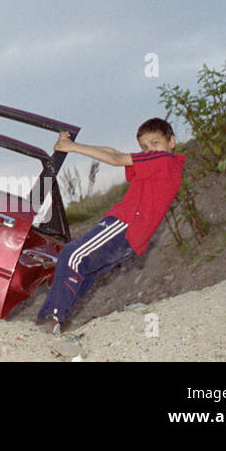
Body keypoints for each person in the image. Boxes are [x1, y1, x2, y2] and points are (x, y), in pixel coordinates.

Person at [37, 117, 184, 332]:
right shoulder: (162, 164)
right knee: (84, 269)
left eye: (155, 143)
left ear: (171, 141)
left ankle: (52, 318)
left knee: (71, 255)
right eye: (144, 147)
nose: (149, 150)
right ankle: (54, 323)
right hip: (130, 235)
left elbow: (116, 159)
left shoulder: (165, 161)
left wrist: (72, 147)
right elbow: (112, 151)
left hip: (126, 224)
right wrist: (69, 146)